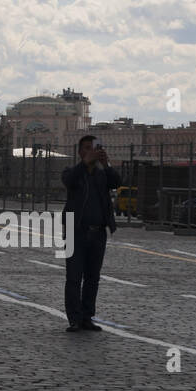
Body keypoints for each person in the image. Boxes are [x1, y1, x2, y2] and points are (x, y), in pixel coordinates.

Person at [61, 135, 120, 332]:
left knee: (93, 278)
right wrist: (84, 164)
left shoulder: (102, 174)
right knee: (74, 277)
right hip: (75, 231)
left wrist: (106, 163)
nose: (91, 151)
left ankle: (87, 316)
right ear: (80, 152)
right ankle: (74, 319)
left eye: (94, 148)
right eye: (87, 148)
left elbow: (117, 182)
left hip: (98, 232)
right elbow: (69, 181)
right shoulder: (72, 171)